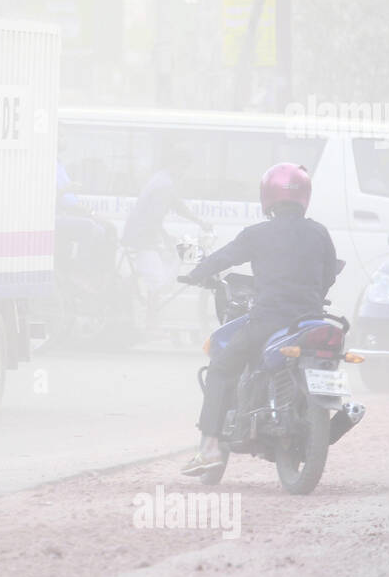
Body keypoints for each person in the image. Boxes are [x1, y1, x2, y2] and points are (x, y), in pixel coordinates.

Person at [176, 163, 338, 476]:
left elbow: (223, 258)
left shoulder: (257, 234)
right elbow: (329, 273)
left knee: (221, 368)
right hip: (310, 321)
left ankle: (209, 449)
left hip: (269, 320)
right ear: (304, 195)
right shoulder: (319, 232)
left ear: (268, 195)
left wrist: (196, 272)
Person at [120, 149, 211, 309]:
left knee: (175, 253)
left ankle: (152, 310)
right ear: (173, 165)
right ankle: (149, 314)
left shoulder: (162, 179)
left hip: (142, 234)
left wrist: (200, 222)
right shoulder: (164, 184)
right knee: (160, 282)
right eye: (183, 167)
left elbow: (178, 206)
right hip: (142, 237)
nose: (184, 172)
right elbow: (154, 218)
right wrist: (166, 239)